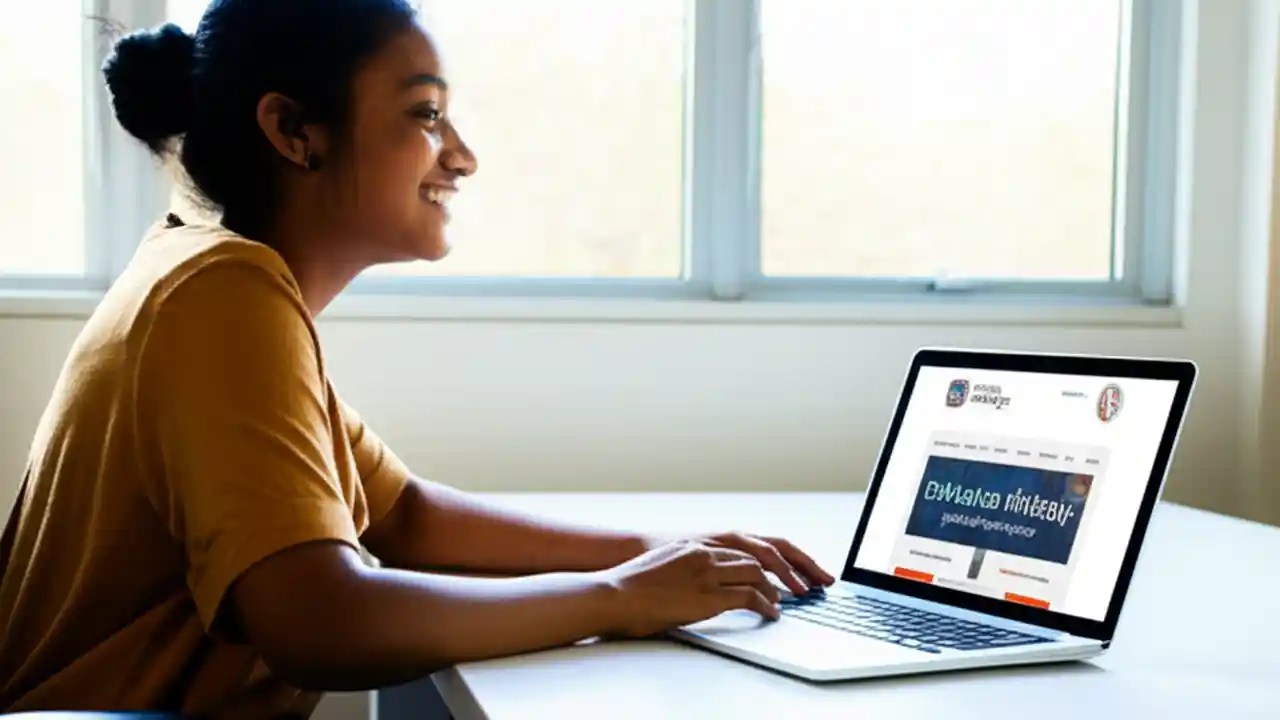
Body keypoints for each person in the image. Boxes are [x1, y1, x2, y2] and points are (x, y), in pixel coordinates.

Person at [0, 0, 834, 716]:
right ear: (293, 131)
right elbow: (323, 622)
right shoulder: (224, 293)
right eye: (425, 115)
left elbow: (404, 517)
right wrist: (620, 599)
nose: (462, 156)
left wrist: (662, 553)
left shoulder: (207, 271)